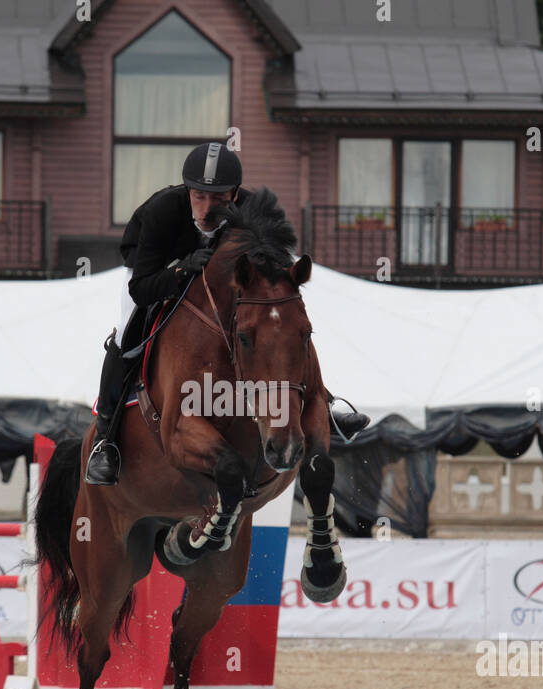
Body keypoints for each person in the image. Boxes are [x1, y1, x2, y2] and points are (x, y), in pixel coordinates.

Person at [84, 141, 368, 485]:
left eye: (218, 199)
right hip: (157, 267)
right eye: (199, 196)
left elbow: (276, 282)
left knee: (280, 321)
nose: (207, 209)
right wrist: (180, 271)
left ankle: (326, 402)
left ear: (234, 195)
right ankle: (106, 439)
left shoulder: (254, 212)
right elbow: (141, 289)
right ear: (187, 191)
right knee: (127, 329)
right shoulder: (162, 212)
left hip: (222, 279)